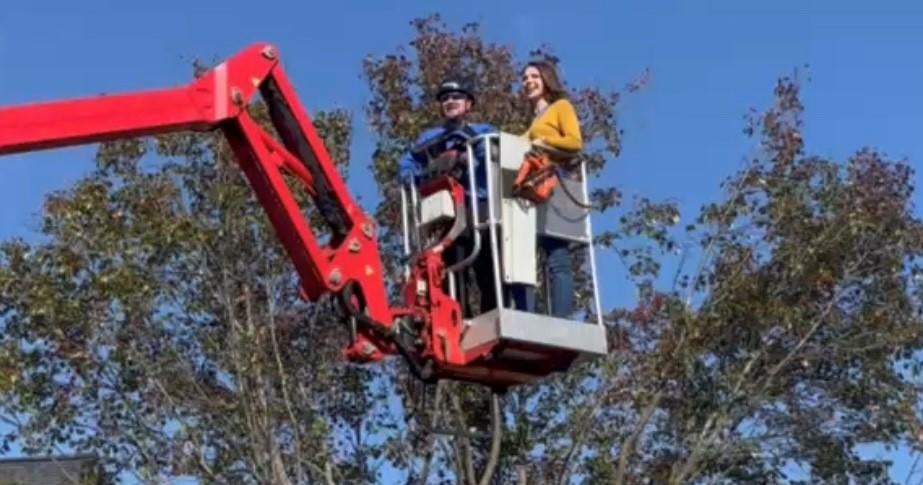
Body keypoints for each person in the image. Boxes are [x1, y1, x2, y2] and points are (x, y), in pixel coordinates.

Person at [398, 79, 498, 317]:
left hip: (479, 204)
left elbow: (496, 153)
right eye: (445, 99)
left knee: (487, 263)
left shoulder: (483, 131)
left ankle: (492, 314)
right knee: (453, 264)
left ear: (468, 103)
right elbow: (406, 166)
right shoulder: (430, 138)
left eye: (456, 97)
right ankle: (459, 316)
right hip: (448, 209)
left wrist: (466, 157)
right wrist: (428, 171)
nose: (450, 102)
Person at [511, 59, 583, 318]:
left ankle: (561, 318)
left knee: (556, 254)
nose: (528, 81)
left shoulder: (560, 107)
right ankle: (526, 314)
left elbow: (575, 142)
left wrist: (544, 141)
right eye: (524, 78)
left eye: (534, 76)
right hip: (534, 188)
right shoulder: (534, 121)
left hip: (555, 182)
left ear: (546, 80)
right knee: (521, 253)